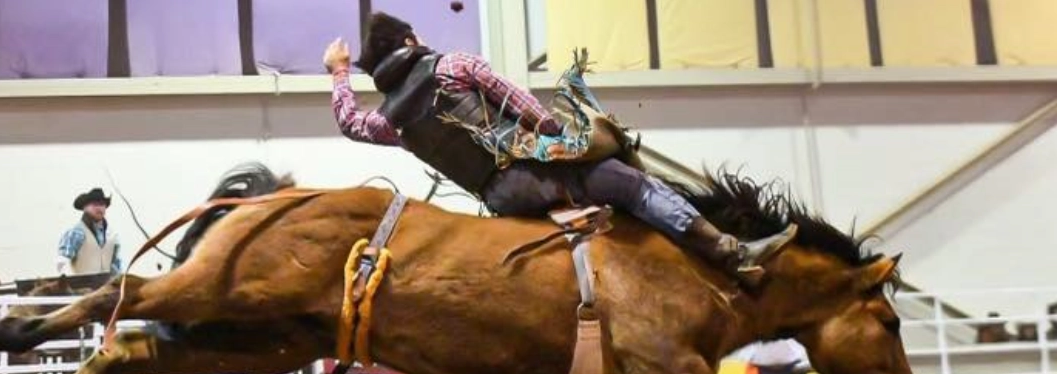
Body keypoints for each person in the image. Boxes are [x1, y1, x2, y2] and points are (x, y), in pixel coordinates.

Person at [322, 12, 796, 285]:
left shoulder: (391, 121)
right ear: (410, 41)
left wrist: (338, 72)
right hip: (538, 174)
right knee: (634, 185)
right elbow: (524, 106)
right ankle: (731, 254)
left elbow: (350, 122)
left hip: (500, 201)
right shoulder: (454, 66)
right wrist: (557, 137)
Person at [57, 187, 122, 276]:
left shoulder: (112, 236)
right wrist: (69, 282)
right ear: (85, 207)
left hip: (106, 287)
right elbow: (63, 262)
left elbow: (116, 266)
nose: (99, 208)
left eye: (102, 204)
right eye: (95, 204)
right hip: (81, 287)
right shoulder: (76, 233)